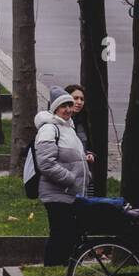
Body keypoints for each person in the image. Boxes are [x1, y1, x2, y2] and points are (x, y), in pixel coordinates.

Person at [35, 87, 88, 266]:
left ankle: (62, 266)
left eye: (69, 105)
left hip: (69, 192)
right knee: (60, 232)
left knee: (68, 232)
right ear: (55, 108)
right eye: (63, 106)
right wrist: (70, 178)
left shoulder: (68, 128)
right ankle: (52, 267)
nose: (67, 109)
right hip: (57, 192)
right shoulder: (49, 129)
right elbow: (46, 163)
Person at [65, 83, 95, 194]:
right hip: (68, 175)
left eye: (82, 99)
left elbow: (88, 145)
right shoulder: (61, 123)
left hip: (85, 173)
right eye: (75, 98)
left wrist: (89, 154)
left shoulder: (84, 121)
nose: (79, 102)